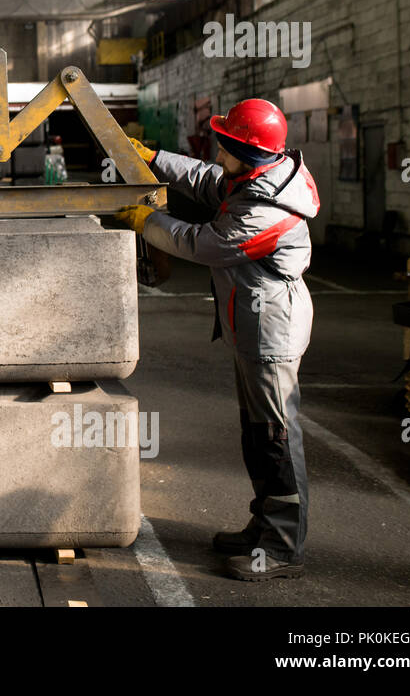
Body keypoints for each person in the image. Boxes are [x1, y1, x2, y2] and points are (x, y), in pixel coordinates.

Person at [114, 98, 320, 581]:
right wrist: (153, 158)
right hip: (253, 324)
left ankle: (283, 545)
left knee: (276, 438)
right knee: (257, 433)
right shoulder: (258, 174)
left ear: (241, 150)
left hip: (271, 331)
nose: (214, 147)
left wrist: (148, 222)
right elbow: (208, 180)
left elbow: (202, 243)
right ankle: (264, 524)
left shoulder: (265, 211)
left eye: (222, 142)